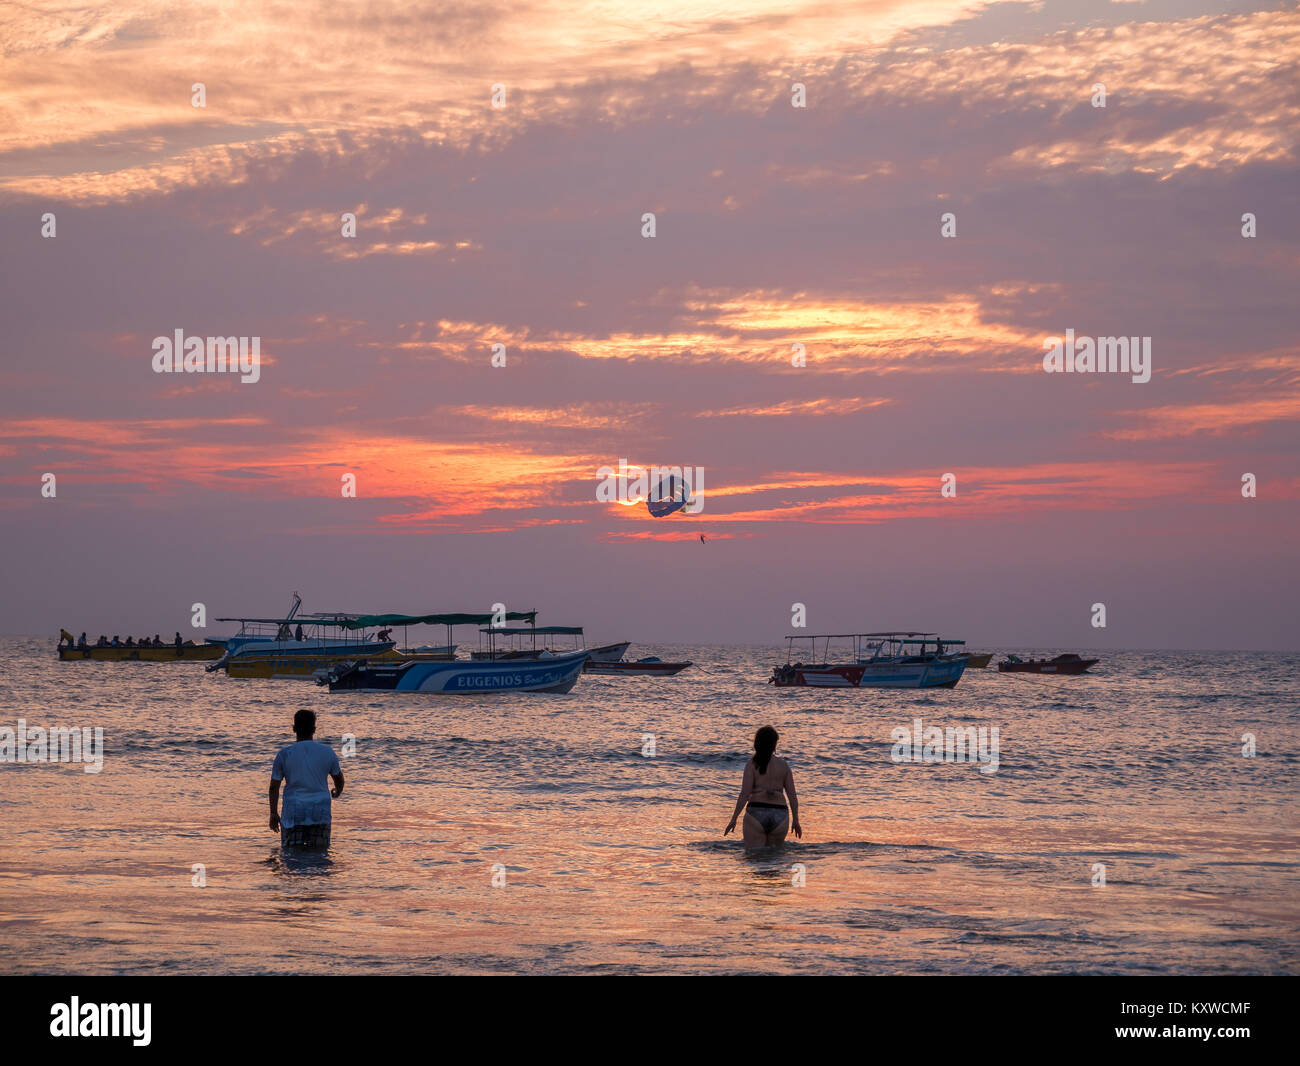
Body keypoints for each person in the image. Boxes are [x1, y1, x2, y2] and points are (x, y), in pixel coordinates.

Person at [269, 710, 344, 850]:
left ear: (294, 729)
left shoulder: (284, 754)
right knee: (320, 859)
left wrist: (273, 813)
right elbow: (339, 778)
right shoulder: (327, 752)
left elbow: (274, 787)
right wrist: (337, 791)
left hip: (293, 813)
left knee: (291, 859)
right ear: (314, 729)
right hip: (320, 812)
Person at [725, 725, 801, 847]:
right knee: (774, 859)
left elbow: (745, 794)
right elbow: (792, 796)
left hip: (756, 812)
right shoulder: (784, 766)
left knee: (754, 856)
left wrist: (734, 819)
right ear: (774, 744)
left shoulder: (752, 764)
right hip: (780, 814)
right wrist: (796, 821)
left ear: (757, 743)